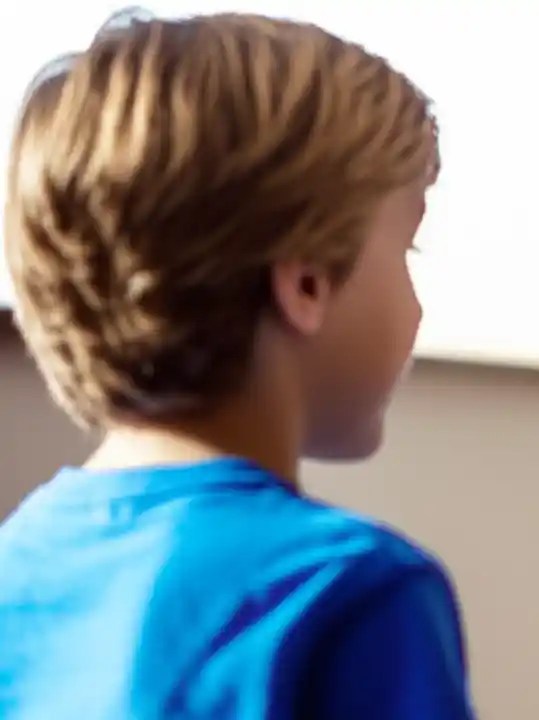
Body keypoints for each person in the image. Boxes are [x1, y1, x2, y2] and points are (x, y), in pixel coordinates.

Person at [0, 11, 474, 719]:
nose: (416, 300)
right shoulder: (352, 591)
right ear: (307, 281)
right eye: (408, 248)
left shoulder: (15, 568)